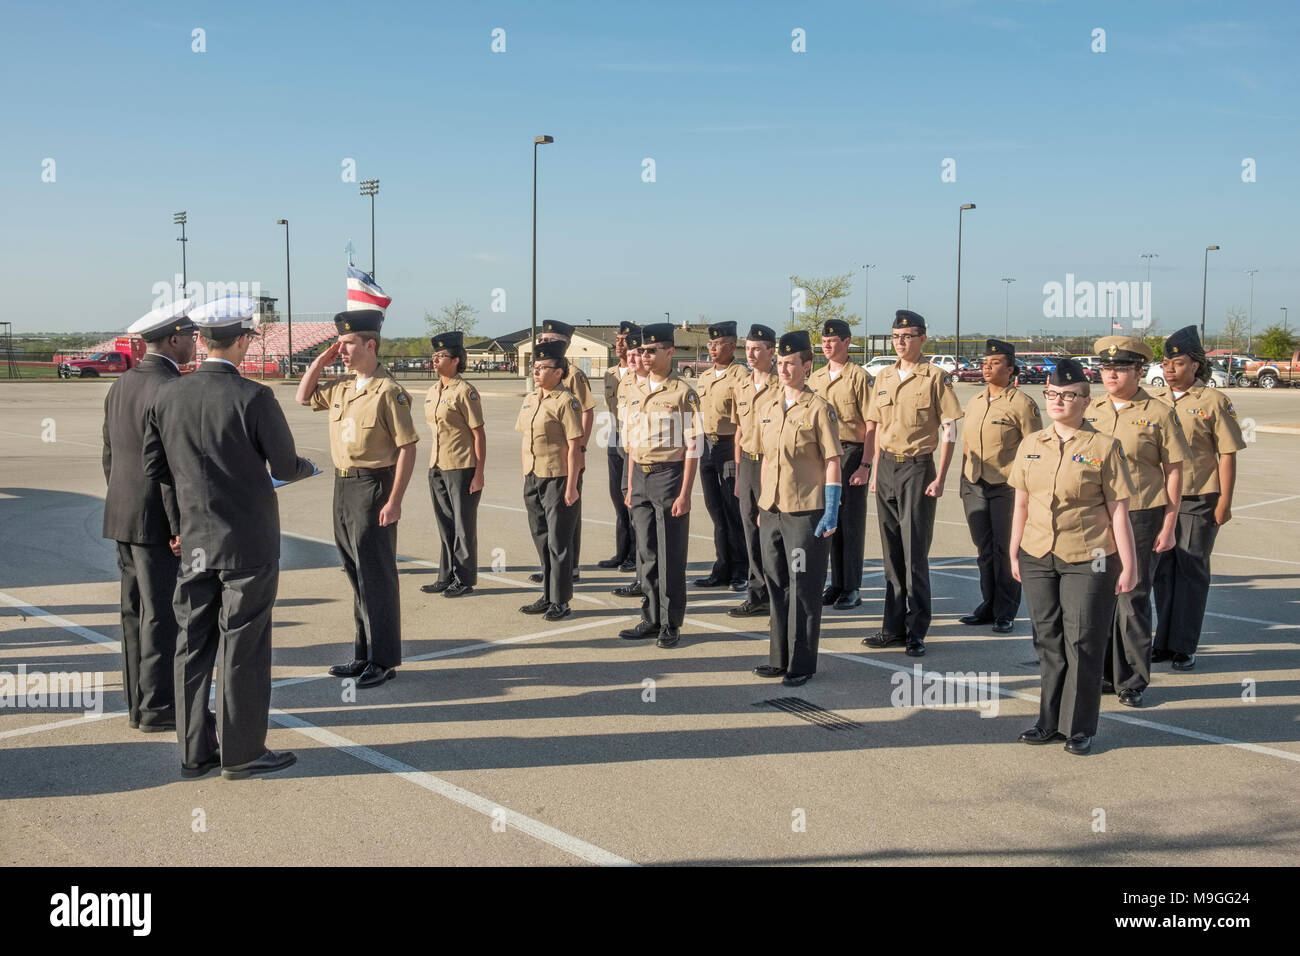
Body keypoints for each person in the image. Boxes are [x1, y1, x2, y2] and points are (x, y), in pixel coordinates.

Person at [142, 296, 315, 780]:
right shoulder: (254, 397)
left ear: (199, 339)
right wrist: (307, 468)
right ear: (241, 340)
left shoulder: (167, 395)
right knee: (244, 645)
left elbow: (156, 470)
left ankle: (194, 751)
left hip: (195, 539)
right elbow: (283, 466)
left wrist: (177, 526)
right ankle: (241, 753)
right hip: (248, 542)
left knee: (191, 645)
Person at [1009, 358, 1139, 755]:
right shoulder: (1032, 443)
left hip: (1090, 556)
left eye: (1068, 396)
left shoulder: (1103, 446)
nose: (1058, 401)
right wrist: (1013, 552)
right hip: (1037, 554)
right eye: (1052, 394)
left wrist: (1130, 564)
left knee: (1082, 640)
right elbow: (1021, 502)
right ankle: (1048, 720)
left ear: (1086, 401)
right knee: (1047, 639)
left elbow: (1118, 509)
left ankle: (1078, 727)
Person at [296, 305, 419, 688]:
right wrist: (322, 358)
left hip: (373, 486)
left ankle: (383, 660)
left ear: (370, 343)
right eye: (338, 344)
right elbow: (303, 397)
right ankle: (363, 653)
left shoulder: (390, 392)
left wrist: (395, 500)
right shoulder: (342, 388)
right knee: (355, 574)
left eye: (347, 344)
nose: (342, 351)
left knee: (376, 576)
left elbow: (407, 449)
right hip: (343, 486)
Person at [102, 299, 197, 733]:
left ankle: (137, 703)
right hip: (156, 521)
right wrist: (178, 525)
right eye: (191, 336)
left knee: (132, 613)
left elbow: (111, 455)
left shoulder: (121, 384)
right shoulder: (169, 388)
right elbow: (169, 467)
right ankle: (159, 707)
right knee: (161, 613)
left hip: (123, 514)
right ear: (174, 338)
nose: (195, 343)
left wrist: (123, 501)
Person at [1089, 335, 1190, 706]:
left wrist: (1169, 523)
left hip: (1141, 516)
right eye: (1106, 367)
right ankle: (1102, 671)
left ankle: (1132, 679)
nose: (1110, 374)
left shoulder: (1159, 412)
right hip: (1097, 518)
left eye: (1120, 367)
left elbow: (1175, 470)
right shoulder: (1092, 409)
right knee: (1099, 594)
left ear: (1139, 371)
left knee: (1132, 597)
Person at [863, 310, 964, 657]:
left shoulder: (936, 377)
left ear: (922, 338)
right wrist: (875, 473)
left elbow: (950, 428)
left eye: (908, 336)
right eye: (896, 336)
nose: (901, 342)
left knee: (914, 553)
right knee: (891, 554)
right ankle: (891, 627)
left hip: (919, 469)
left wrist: (940, 477)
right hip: (888, 467)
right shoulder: (884, 377)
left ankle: (916, 629)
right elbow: (875, 427)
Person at [1147, 326, 1246, 671]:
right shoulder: (1153, 401)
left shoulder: (1214, 402)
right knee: (1162, 571)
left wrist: (1225, 502)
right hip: (1160, 500)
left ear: (1196, 364)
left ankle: (1184, 645)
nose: (1169, 369)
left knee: (1191, 570)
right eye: (1165, 363)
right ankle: (1162, 641)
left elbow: (1228, 454)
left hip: (1198, 497)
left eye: (1176, 363)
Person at [755, 330, 843, 686]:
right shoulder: (769, 406)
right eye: (780, 362)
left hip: (805, 513)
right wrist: (761, 503)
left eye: (791, 363)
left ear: (807, 365)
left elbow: (833, 460)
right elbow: (764, 458)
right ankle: (779, 657)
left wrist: (832, 508)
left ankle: (802, 663)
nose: (784, 369)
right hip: (773, 510)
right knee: (776, 584)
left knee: (804, 588)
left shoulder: (819, 408)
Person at [619, 322, 701, 648]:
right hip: (640, 474)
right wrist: (629, 486)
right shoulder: (634, 390)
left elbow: (694, 445)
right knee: (647, 552)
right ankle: (650, 617)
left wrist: (685, 493)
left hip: (669, 475)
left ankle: (671, 623)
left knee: (670, 555)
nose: (646, 356)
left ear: (670, 351)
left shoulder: (683, 393)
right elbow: (630, 443)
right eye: (642, 350)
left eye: (652, 350)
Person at [958, 339, 1042, 634]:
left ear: (1010, 369)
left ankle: (1005, 610)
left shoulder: (1022, 404)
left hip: (1007, 486)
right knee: (984, 548)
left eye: (994, 363)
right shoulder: (976, 400)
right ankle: (988, 603)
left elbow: (1036, 449)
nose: (986, 367)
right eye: (985, 362)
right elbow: (968, 442)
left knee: (1007, 549)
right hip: (975, 482)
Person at [808, 318, 876, 610]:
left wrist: (866, 464)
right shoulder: (816, 378)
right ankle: (835, 584)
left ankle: (852, 587)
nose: (827, 345)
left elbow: (872, 423)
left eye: (833, 341)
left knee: (850, 524)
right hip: (823, 456)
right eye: (823, 341)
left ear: (847, 342)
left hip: (851, 454)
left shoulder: (859, 377)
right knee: (829, 520)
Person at [515, 340, 584, 621]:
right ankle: (546, 594)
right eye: (535, 367)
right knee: (542, 538)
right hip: (533, 476)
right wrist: (525, 474)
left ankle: (561, 600)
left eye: (544, 367)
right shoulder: (531, 399)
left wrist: (571, 486)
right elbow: (525, 437)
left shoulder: (567, 401)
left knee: (559, 542)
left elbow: (575, 446)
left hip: (558, 478)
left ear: (559, 372)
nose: (537, 371)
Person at [529, 320, 595, 584]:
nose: (543, 343)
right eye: (542, 340)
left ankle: (571, 567)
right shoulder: (542, 370)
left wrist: (580, 447)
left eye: (549, 340)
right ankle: (551, 567)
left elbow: (587, 410)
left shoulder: (573, 375)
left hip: (568, 453)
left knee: (568, 511)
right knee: (548, 519)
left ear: (565, 342)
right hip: (546, 457)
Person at [420, 330, 485, 598]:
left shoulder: (465, 392)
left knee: (463, 525)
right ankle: (445, 575)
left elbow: (478, 433)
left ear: (456, 360)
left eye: (441, 355)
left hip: (461, 466)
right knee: (445, 523)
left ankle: (465, 578)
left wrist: (478, 473)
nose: (435, 360)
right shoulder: (434, 390)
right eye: (434, 355)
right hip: (437, 465)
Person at [692, 321, 750, 591]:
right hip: (707, 446)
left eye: (717, 344)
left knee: (733, 510)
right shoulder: (704, 377)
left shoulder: (741, 375)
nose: (712, 349)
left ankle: (742, 569)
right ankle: (722, 567)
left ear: (732, 346)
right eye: (710, 345)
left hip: (729, 446)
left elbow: (744, 419)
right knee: (715, 511)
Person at [728, 323, 778, 617]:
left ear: (771, 351)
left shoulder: (781, 386)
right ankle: (757, 592)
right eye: (747, 348)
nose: (751, 353)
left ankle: (776, 592)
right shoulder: (742, 386)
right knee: (749, 528)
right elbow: (738, 430)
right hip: (747, 462)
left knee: (771, 529)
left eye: (757, 348)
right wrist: (738, 472)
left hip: (772, 463)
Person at [611, 326, 651, 600]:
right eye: (632, 355)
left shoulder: (657, 387)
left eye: (638, 354)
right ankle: (640, 577)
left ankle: (649, 580)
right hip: (630, 458)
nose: (633, 359)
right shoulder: (626, 383)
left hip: (654, 464)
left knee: (650, 527)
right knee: (636, 519)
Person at [598, 322, 638, 572]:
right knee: (617, 496)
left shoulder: (639, 373)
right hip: (614, 434)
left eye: (624, 339)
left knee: (632, 496)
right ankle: (621, 551)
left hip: (634, 437)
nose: (619, 343)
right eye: (618, 339)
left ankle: (636, 553)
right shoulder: (610, 373)